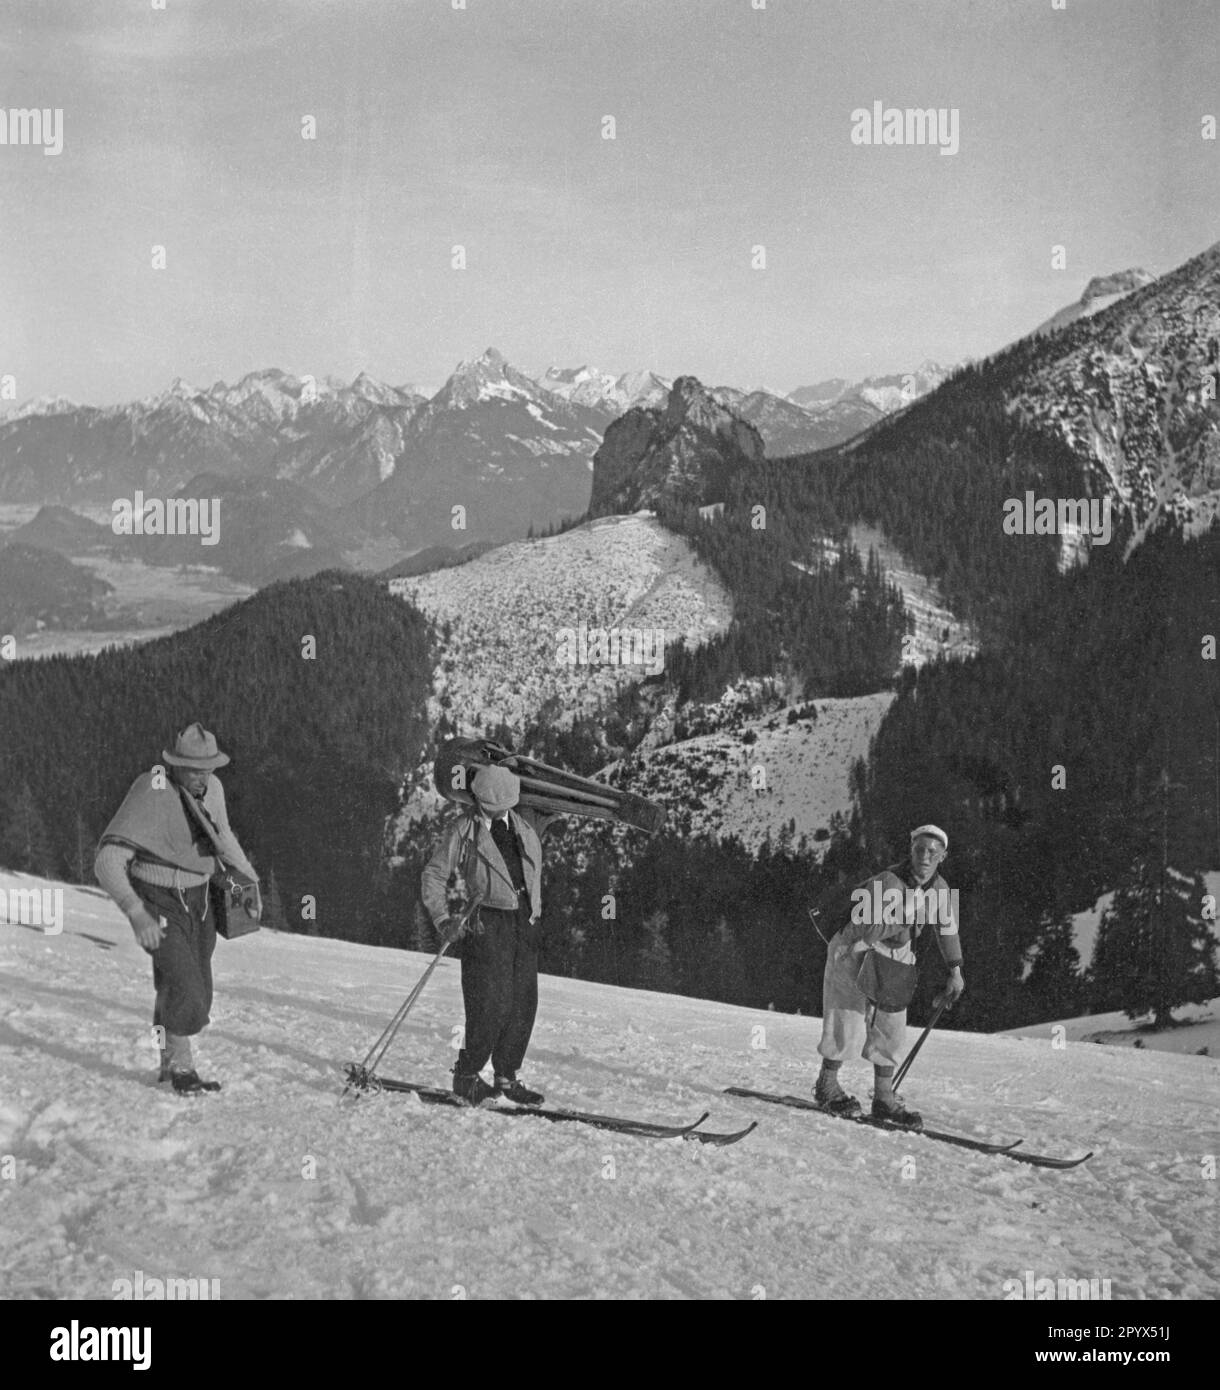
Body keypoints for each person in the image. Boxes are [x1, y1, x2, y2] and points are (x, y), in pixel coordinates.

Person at [94, 723, 259, 1095]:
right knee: (188, 988)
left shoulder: (212, 788)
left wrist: (249, 880)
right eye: (194, 769)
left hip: (200, 900)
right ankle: (182, 1067)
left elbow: (223, 834)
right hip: (158, 900)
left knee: (193, 982)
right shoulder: (151, 791)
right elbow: (107, 862)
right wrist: (136, 912)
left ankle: (171, 1064)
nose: (203, 777)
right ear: (175, 764)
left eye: (209, 768)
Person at [421, 764, 559, 1106]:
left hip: (525, 923)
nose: (495, 809)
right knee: (489, 1004)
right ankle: (467, 1077)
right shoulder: (464, 830)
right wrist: (442, 918)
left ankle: (507, 1077)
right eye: (489, 804)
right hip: (487, 923)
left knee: (522, 1004)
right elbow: (434, 875)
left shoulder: (523, 826)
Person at [813, 824, 964, 1129]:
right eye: (919, 848)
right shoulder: (888, 883)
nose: (925, 855)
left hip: (896, 954)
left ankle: (884, 1099)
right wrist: (912, 913)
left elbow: (947, 930)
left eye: (932, 851)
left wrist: (955, 972)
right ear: (911, 850)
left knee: (891, 1027)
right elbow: (871, 930)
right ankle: (826, 1087)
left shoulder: (941, 890)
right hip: (853, 948)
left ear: (943, 857)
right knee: (848, 1019)